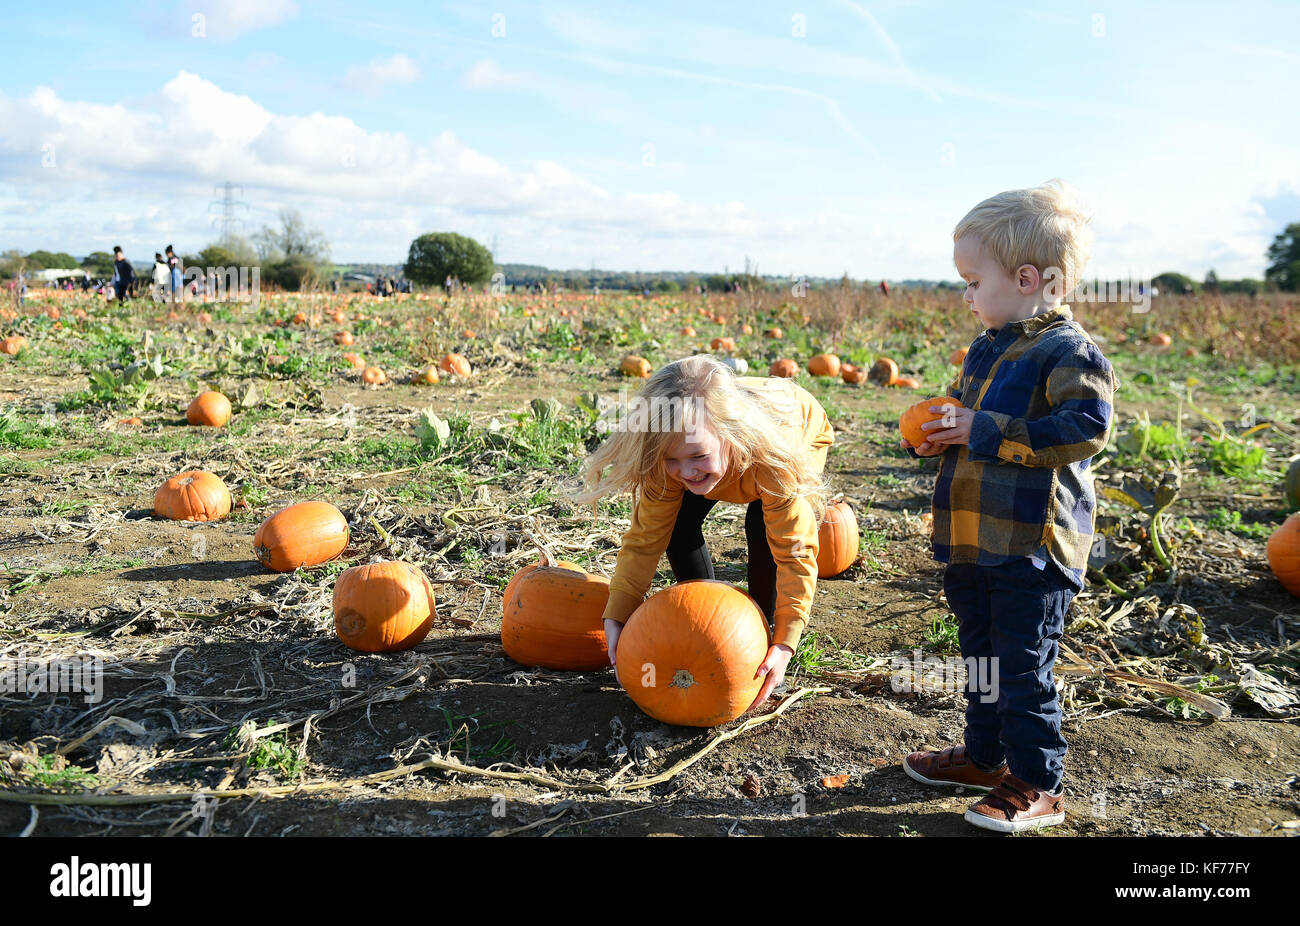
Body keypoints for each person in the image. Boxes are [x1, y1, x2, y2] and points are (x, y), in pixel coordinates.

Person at [899, 179, 1116, 833]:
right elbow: (969, 421)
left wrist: (981, 430)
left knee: (1023, 665)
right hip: (974, 538)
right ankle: (987, 757)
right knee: (984, 657)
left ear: (1027, 278)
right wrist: (938, 430)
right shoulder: (989, 347)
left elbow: (1086, 430)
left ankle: (1038, 781)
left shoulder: (1069, 353)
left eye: (972, 280)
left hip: (1032, 545)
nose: (967, 295)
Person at [575, 355, 834, 709]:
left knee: (764, 530)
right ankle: (702, 624)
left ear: (728, 435)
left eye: (697, 456)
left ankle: (757, 639)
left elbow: (794, 554)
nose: (686, 471)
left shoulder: (775, 464)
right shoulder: (668, 459)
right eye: (672, 460)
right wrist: (616, 617)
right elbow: (644, 543)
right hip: (732, 433)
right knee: (676, 524)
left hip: (798, 425)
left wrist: (786, 642)